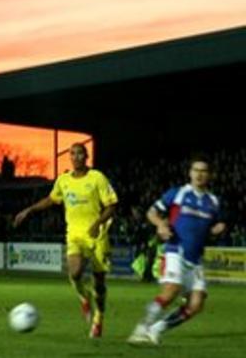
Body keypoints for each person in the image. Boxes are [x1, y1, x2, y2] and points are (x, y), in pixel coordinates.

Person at [14, 143, 117, 338]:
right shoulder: (63, 180)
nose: (76, 157)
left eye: (80, 153)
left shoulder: (97, 178)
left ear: (86, 156)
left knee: (99, 284)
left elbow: (112, 205)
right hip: (75, 234)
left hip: (98, 236)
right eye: (73, 154)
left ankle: (99, 319)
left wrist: (98, 222)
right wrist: (30, 210)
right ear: (69, 157)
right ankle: (84, 298)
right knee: (75, 272)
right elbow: (52, 199)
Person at [128, 155, 227, 346]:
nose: (199, 174)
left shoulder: (213, 201)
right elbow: (152, 212)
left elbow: (220, 222)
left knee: (196, 305)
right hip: (176, 250)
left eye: (203, 171)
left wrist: (219, 228)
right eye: (196, 170)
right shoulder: (178, 193)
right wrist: (160, 225)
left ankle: (157, 329)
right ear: (190, 173)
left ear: (210, 175)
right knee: (171, 290)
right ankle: (140, 329)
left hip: (195, 258)